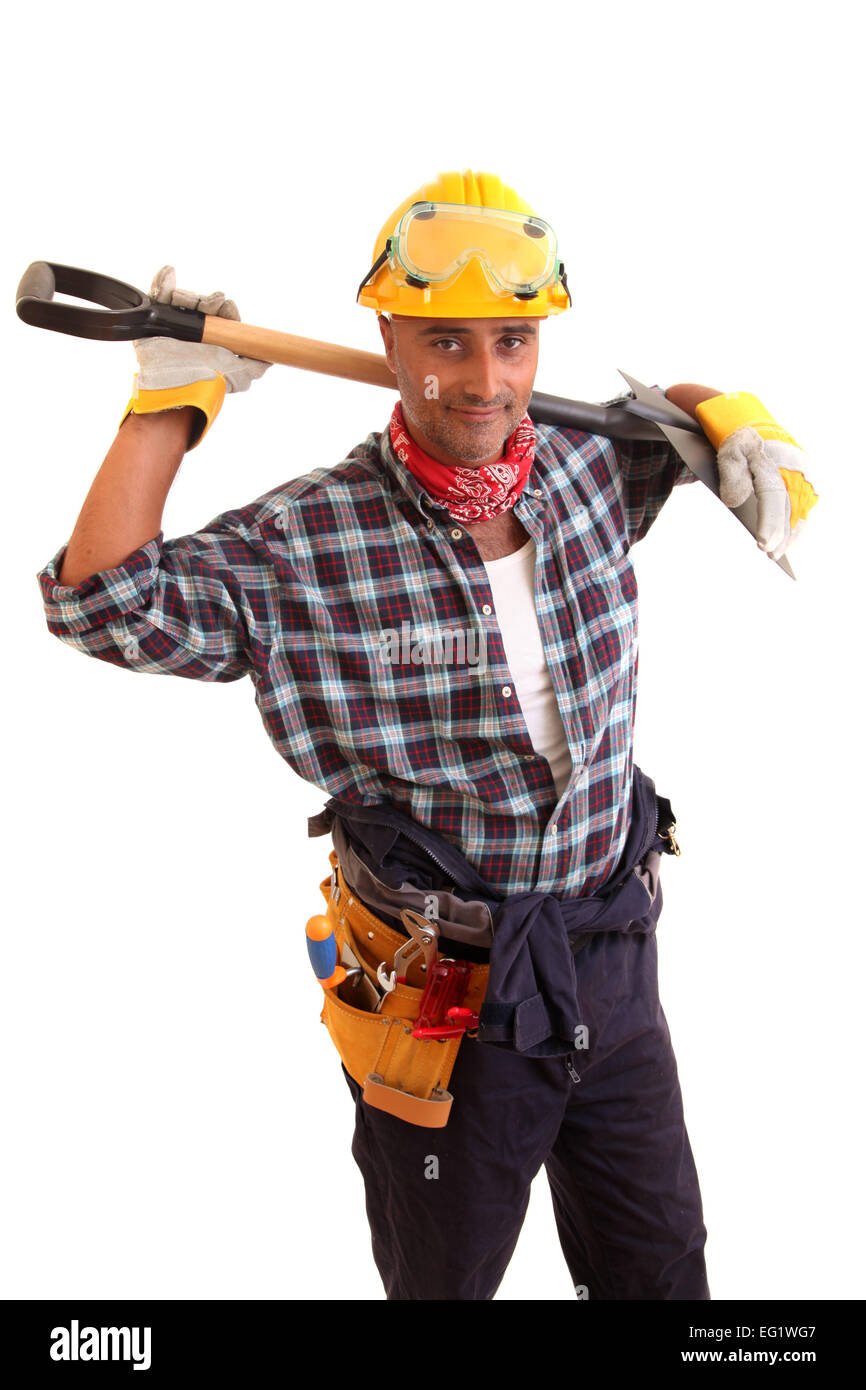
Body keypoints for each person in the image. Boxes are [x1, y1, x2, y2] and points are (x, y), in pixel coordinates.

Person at [37, 169, 817, 1301]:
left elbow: (671, 423)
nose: (484, 379)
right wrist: (171, 396)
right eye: (444, 341)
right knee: (442, 1282)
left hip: (611, 960)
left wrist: (728, 410)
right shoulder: (309, 538)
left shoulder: (591, 466)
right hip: (443, 997)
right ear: (389, 335)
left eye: (512, 341)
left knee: (661, 1271)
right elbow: (100, 604)